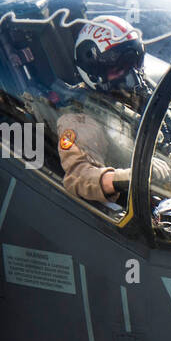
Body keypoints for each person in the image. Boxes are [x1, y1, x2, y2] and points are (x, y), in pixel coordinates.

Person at [56, 15, 148, 205]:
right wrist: (136, 174)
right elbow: (78, 176)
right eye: (119, 68)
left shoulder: (146, 91)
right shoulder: (78, 119)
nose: (130, 74)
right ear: (94, 71)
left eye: (133, 63)